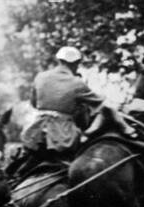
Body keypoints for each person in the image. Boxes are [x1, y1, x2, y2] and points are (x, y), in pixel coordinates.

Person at [14, 46, 103, 175]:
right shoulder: (77, 83)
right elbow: (100, 104)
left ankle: (15, 176)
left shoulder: (40, 77)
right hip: (63, 136)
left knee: (21, 163)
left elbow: (34, 103)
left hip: (36, 133)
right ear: (76, 63)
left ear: (58, 60)